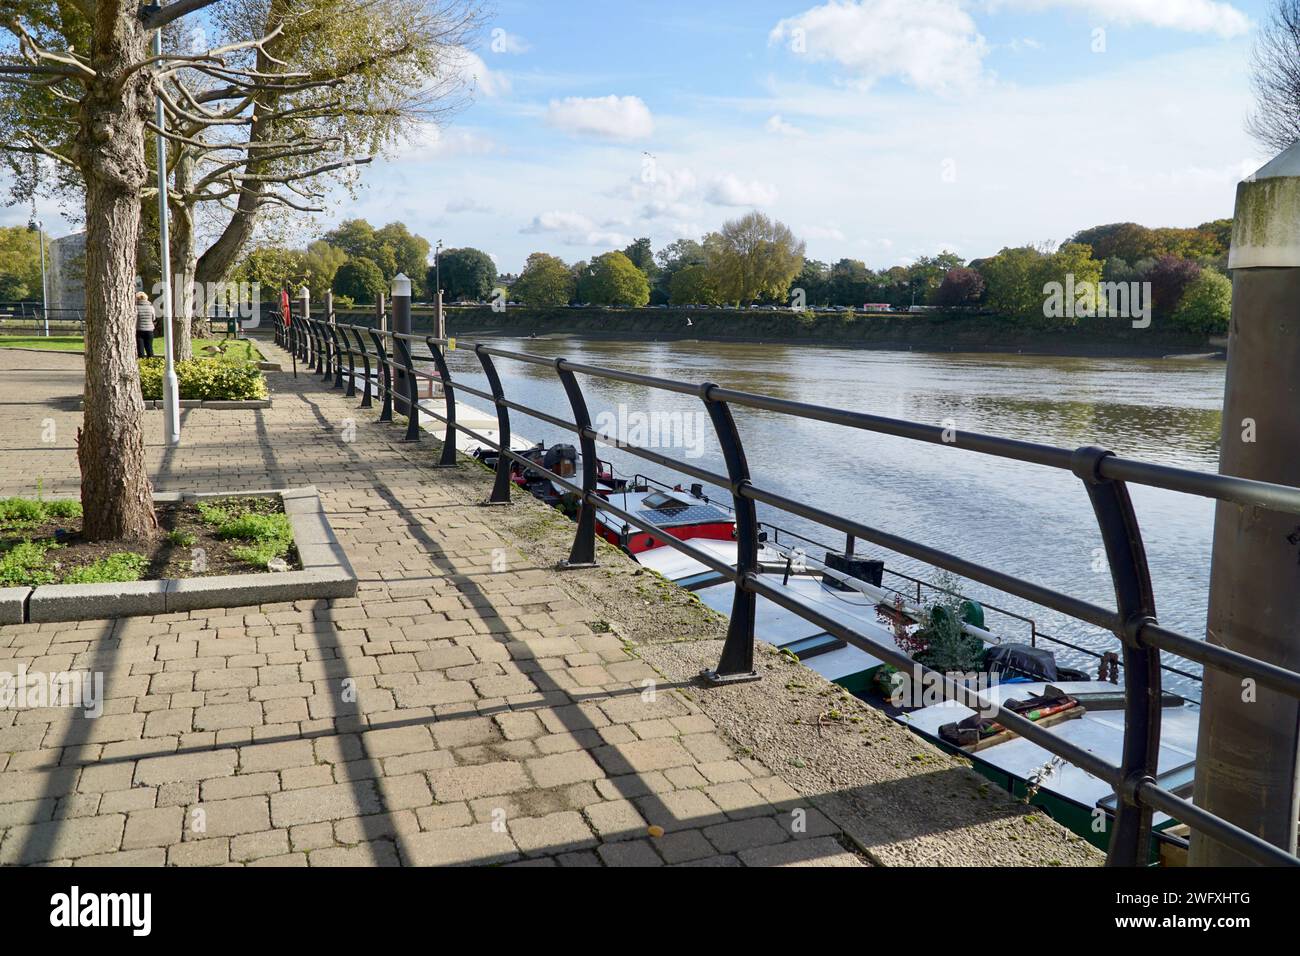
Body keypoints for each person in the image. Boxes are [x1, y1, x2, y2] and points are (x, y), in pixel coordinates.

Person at [135, 291, 156, 358]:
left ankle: (141, 363)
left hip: (139, 330)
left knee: (140, 349)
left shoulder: (135, 308)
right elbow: (153, 318)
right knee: (149, 347)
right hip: (149, 330)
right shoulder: (151, 307)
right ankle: (150, 363)